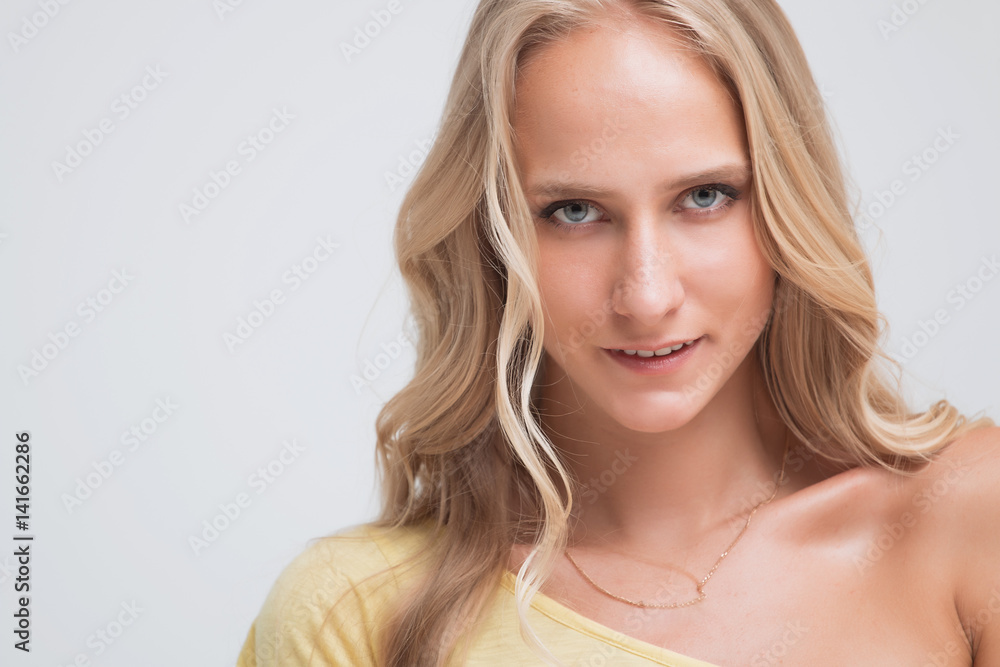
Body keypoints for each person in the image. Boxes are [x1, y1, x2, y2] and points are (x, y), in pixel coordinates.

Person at [236, 1, 1000, 665]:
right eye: (574, 211)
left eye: (704, 196)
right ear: (493, 239)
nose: (646, 294)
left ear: (784, 201)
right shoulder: (358, 610)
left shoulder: (970, 516)